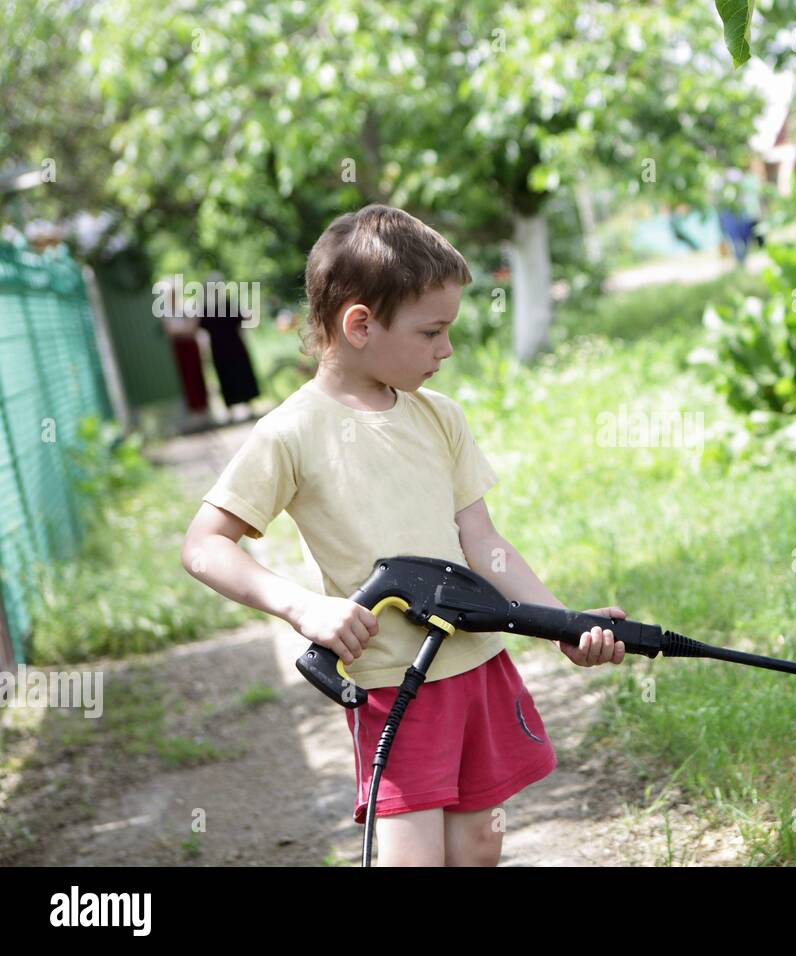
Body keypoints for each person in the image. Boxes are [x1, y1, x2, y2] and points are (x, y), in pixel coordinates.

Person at [179, 205, 626, 866]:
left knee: (478, 845)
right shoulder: (291, 433)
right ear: (359, 324)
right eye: (432, 332)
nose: (446, 350)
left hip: (476, 664)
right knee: (413, 857)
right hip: (395, 686)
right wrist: (303, 607)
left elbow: (484, 541)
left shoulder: (438, 417)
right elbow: (204, 546)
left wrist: (560, 621)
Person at [197, 270, 261, 422]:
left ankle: (241, 407)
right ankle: (240, 406)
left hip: (225, 347)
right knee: (232, 375)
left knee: (235, 374)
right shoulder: (218, 306)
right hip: (228, 346)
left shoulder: (216, 306)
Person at [156, 276, 212, 433]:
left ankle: (204, 409)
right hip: (181, 348)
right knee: (187, 378)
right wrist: (184, 330)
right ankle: (194, 412)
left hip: (190, 346)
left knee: (198, 376)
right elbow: (171, 330)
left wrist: (184, 330)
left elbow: (192, 326)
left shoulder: (186, 306)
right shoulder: (167, 312)